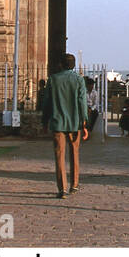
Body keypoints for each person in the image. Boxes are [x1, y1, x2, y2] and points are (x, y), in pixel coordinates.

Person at [40, 54, 89, 197]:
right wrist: (84, 122)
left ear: (61, 64)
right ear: (73, 65)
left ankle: (62, 188)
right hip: (75, 122)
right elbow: (82, 102)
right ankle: (74, 184)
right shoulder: (79, 79)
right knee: (75, 153)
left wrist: (44, 121)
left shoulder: (53, 80)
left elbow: (47, 103)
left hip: (58, 122)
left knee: (59, 155)